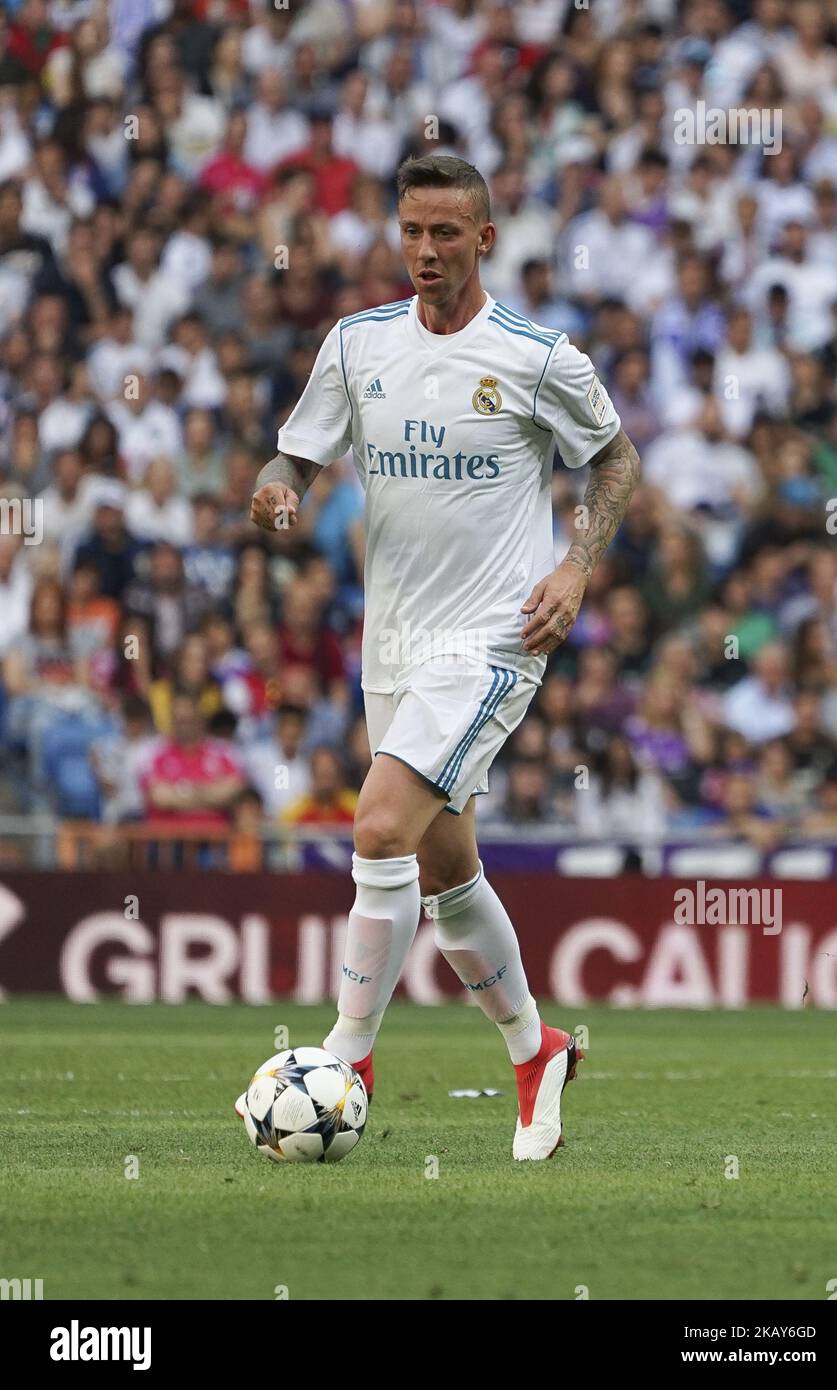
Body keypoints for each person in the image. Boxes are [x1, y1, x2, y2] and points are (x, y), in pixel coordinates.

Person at [245, 153, 640, 1161]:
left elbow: (614, 458)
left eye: (446, 233)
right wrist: (279, 486)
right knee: (443, 864)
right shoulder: (355, 344)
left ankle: (342, 1059)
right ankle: (533, 1045)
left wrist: (576, 568)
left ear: (484, 238)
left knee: (376, 824)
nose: (426, 250)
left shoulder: (537, 355)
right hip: (395, 645)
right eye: (411, 231)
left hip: (493, 641)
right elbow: (297, 449)